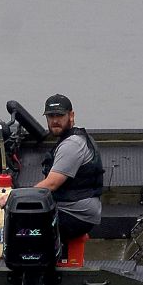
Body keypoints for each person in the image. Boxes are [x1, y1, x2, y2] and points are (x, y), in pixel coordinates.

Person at [31, 94, 103, 247]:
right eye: (51, 116)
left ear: (71, 115)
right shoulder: (72, 138)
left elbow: (51, 184)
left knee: (23, 224)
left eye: (60, 115)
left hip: (76, 215)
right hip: (73, 208)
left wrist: (15, 197)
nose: (55, 120)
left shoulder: (72, 145)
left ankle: (35, 264)